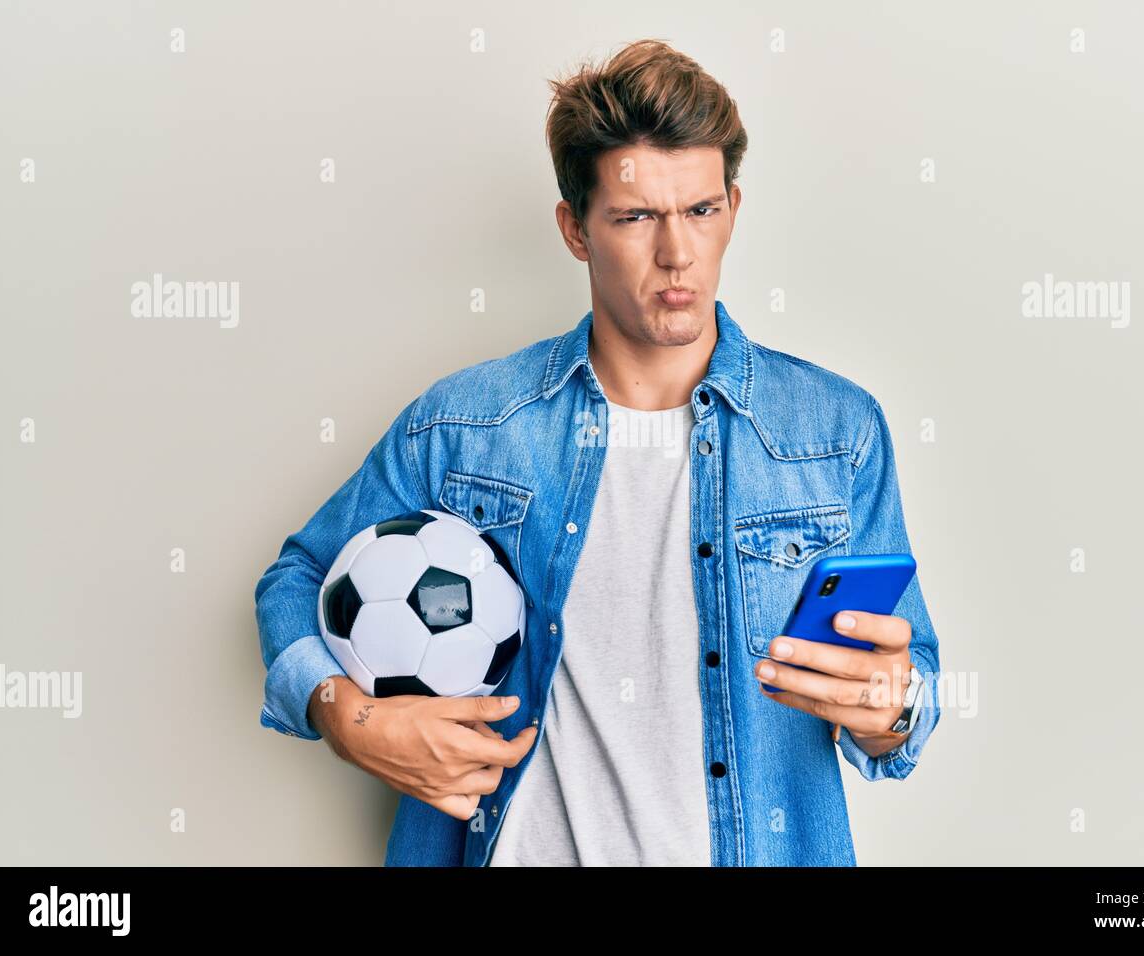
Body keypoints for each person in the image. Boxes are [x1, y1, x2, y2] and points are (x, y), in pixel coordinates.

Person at [253, 38, 941, 866]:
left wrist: (893, 709)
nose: (678, 253)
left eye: (701, 210)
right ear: (576, 230)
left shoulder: (835, 430)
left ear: (733, 207)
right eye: (636, 217)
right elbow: (295, 578)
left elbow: (910, 683)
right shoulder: (468, 425)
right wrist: (348, 718)